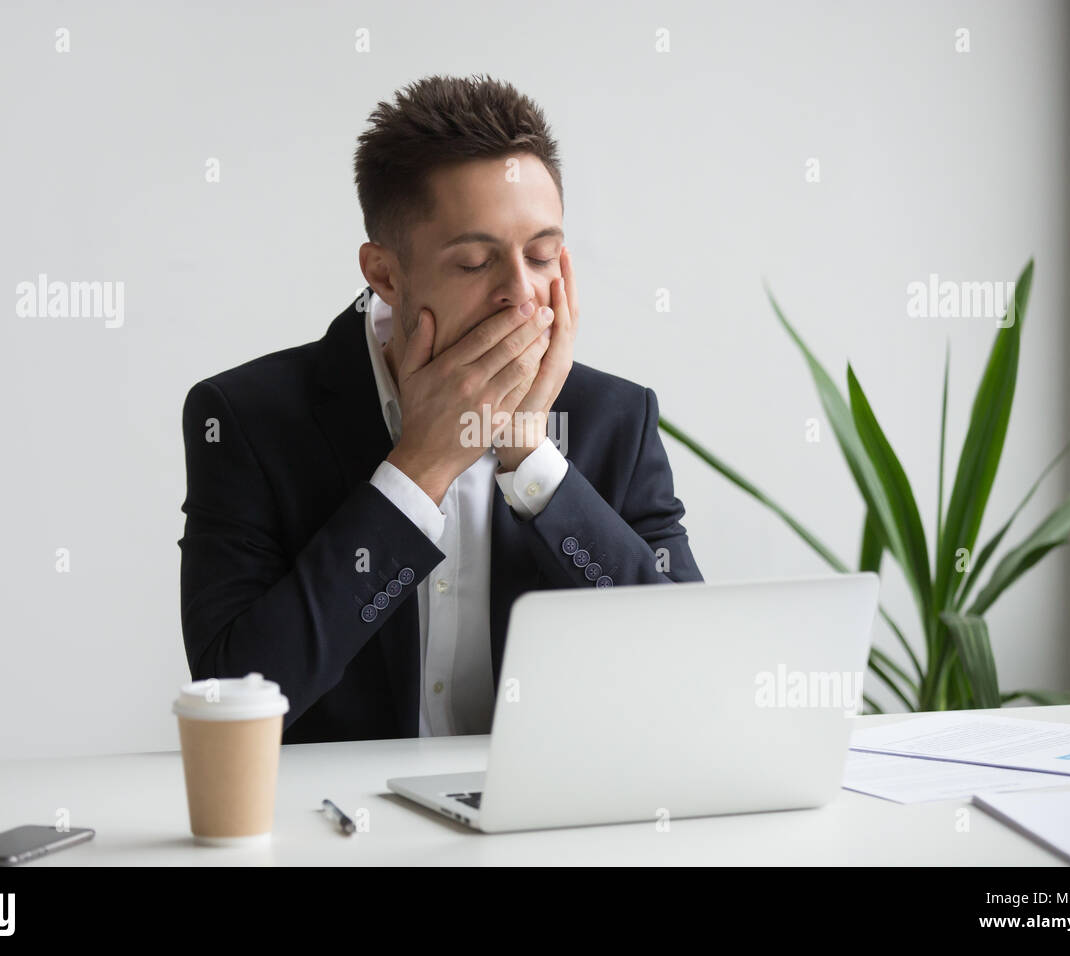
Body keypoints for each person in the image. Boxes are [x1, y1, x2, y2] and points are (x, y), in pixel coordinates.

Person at [178, 74, 702, 744]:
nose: (522, 296)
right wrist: (417, 469)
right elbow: (233, 696)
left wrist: (534, 463)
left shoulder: (614, 418)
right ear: (385, 274)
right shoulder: (246, 420)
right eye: (476, 263)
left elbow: (689, 669)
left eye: (542, 255)